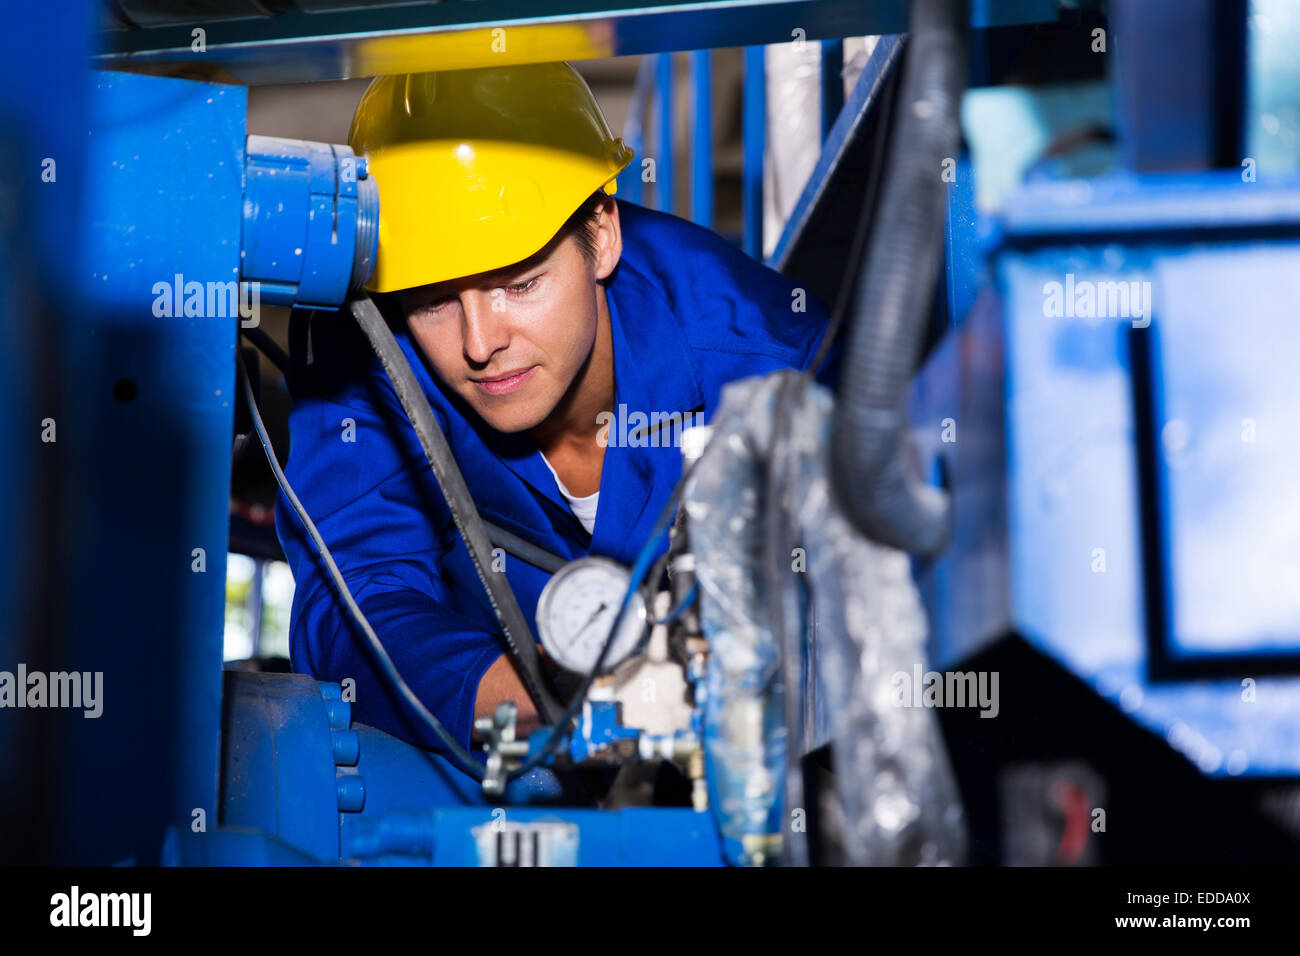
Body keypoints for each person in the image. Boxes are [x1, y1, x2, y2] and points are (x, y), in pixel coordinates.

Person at [276, 61, 842, 766]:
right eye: (434, 299)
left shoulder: (767, 361)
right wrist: (530, 698)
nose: (481, 344)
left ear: (601, 233)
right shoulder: (366, 357)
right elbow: (354, 595)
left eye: (520, 282)